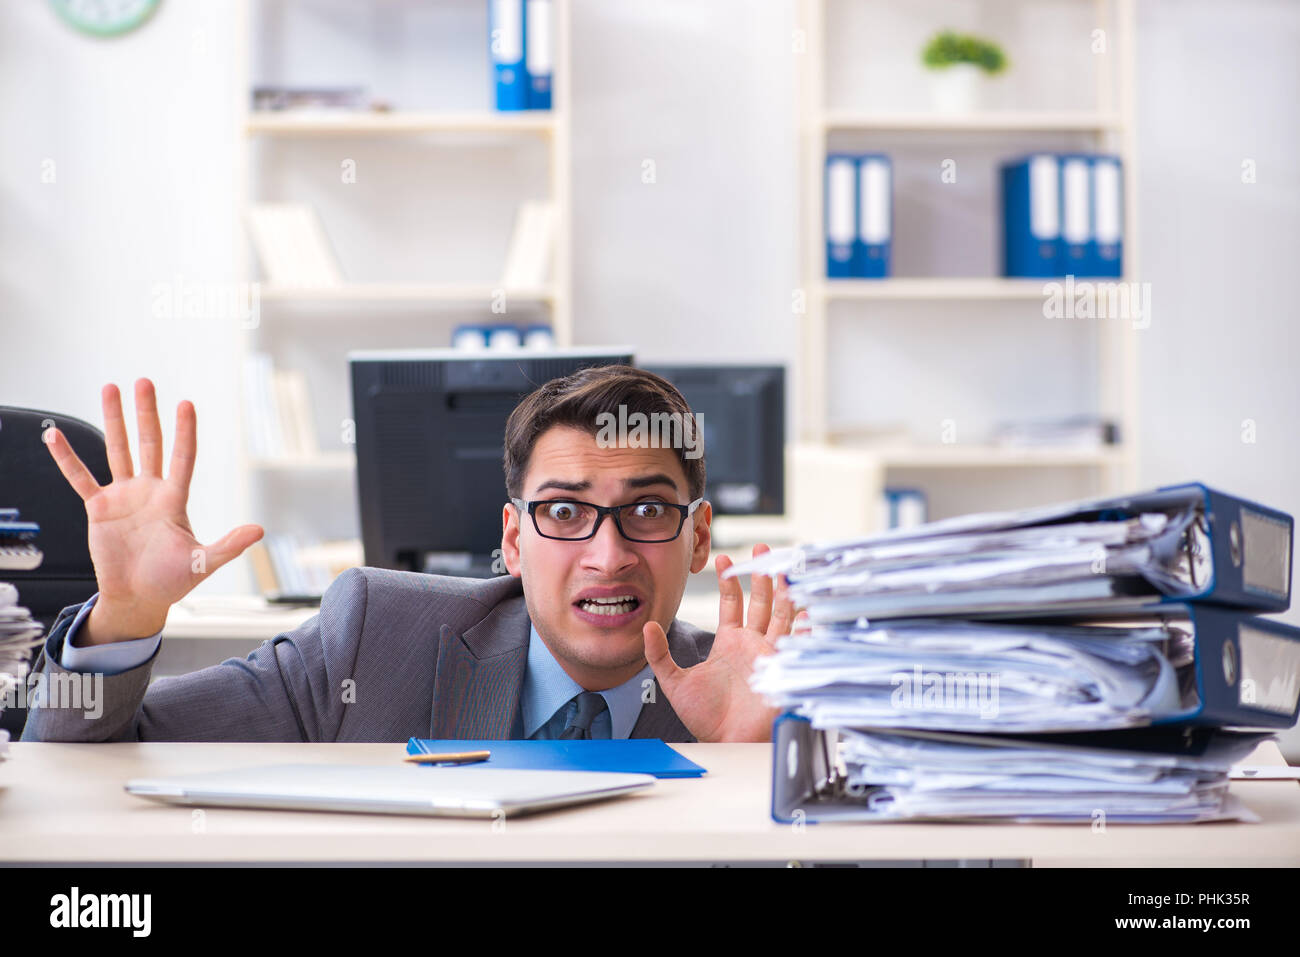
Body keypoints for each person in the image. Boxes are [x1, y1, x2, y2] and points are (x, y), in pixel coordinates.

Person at [21, 366, 795, 743]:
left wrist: (743, 772)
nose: (608, 552)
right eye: (564, 511)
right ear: (514, 540)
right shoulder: (376, 636)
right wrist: (122, 618)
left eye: (647, 511)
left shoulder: (749, 696)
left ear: (697, 539)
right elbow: (79, 766)